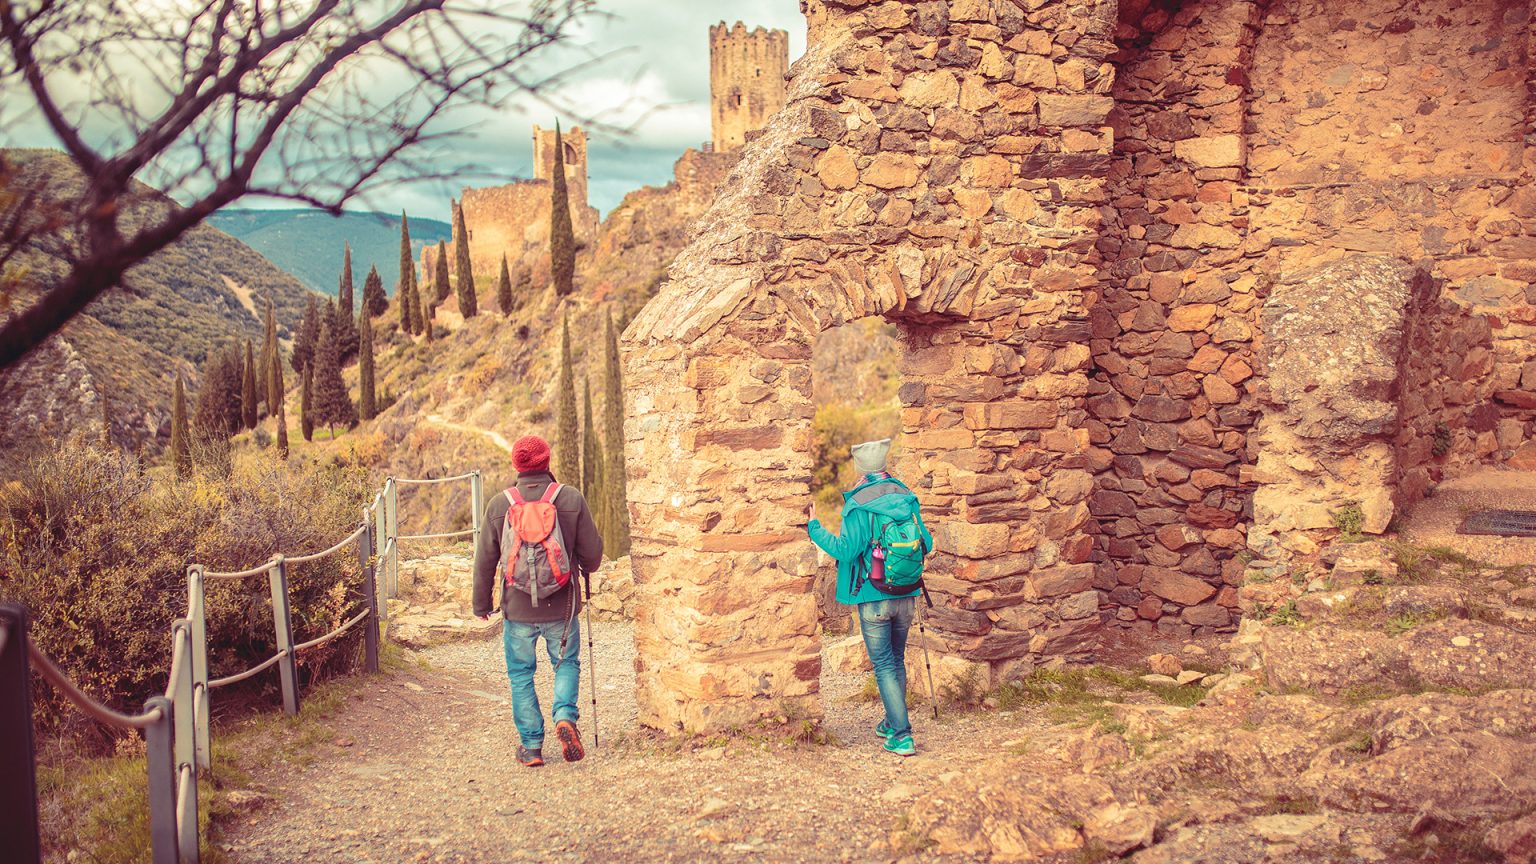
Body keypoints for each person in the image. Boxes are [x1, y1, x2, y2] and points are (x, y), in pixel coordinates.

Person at [474, 434, 603, 767]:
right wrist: (585, 563)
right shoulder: (570, 498)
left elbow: (485, 560)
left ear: (516, 464)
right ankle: (565, 716)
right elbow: (592, 555)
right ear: (547, 461)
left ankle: (531, 747)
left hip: (517, 609)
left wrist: (481, 604)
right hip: (562, 606)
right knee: (566, 662)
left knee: (521, 675)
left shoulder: (500, 505)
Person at [805, 438, 931, 757]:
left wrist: (815, 528)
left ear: (859, 467)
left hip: (874, 596)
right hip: (907, 593)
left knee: (884, 664)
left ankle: (902, 735)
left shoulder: (858, 504)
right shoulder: (906, 496)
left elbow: (846, 550)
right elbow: (926, 543)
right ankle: (891, 722)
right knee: (896, 659)